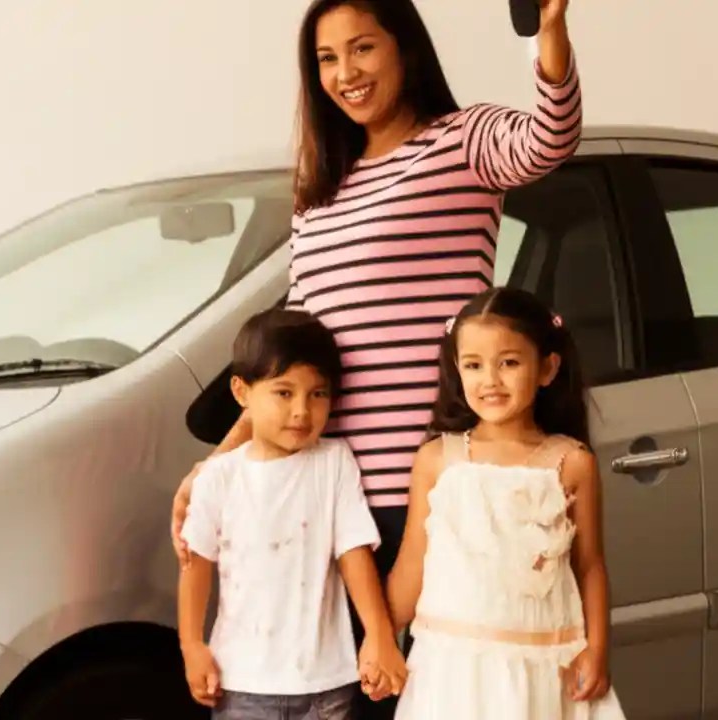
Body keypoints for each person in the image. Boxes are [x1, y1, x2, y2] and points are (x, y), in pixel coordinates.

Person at [172, 0, 582, 714]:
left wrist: (547, 32)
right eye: (327, 59)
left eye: (362, 49)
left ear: (404, 49)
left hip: (433, 497)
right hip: (334, 505)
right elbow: (295, 349)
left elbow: (550, 137)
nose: (345, 73)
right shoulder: (320, 191)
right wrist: (220, 461)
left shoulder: (460, 142)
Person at [385, 287, 625, 719]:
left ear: (547, 368)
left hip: (543, 671)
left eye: (509, 363)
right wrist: (376, 638)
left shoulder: (570, 462)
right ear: (456, 370)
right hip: (450, 672)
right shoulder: (437, 459)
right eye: (473, 365)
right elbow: (412, 566)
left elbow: (589, 565)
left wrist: (597, 649)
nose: (490, 380)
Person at [178, 309, 407, 719]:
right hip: (241, 684)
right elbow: (195, 564)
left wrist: (378, 634)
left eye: (318, 394)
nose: (302, 411)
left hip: (326, 685)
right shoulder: (219, 476)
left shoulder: (334, 462)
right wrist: (192, 647)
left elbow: (354, 553)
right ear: (241, 391)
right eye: (284, 393)